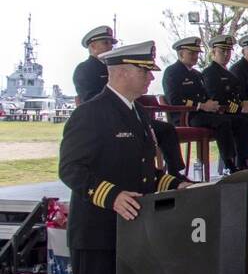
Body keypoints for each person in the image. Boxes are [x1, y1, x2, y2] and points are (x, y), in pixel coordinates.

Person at [57, 42, 191, 274]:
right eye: (143, 70)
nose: (151, 76)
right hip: (98, 234)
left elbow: (146, 173)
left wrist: (179, 185)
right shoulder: (92, 114)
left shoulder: (137, 114)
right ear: (119, 72)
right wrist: (111, 195)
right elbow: (71, 170)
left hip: (132, 234)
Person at [72, 25, 186, 178]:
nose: (110, 46)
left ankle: (175, 172)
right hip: (107, 120)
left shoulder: (138, 111)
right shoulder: (85, 71)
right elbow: (73, 170)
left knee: (165, 129)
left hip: (127, 116)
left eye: (111, 43)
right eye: (105, 43)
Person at [162, 37, 248, 175]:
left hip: (202, 114)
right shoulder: (172, 72)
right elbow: (174, 100)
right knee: (223, 122)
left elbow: (205, 96)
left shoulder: (196, 74)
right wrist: (200, 105)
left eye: (197, 53)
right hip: (186, 116)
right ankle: (229, 164)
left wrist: (212, 105)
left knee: (239, 120)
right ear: (180, 54)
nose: (195, 56)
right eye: (191, 53)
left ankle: (243, 161)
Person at [201, 34, 248, 170]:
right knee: (238, 121)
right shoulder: (210, 72)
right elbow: (217, 98)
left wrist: (245, 103)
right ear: (213, 52)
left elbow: (238, 95)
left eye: (228, 51)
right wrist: (240, 107)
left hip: (233, 112)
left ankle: (244, 161)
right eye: (222, 51)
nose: (226, 54)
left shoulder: (229, 74)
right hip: (221, 112)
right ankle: (232, 164)